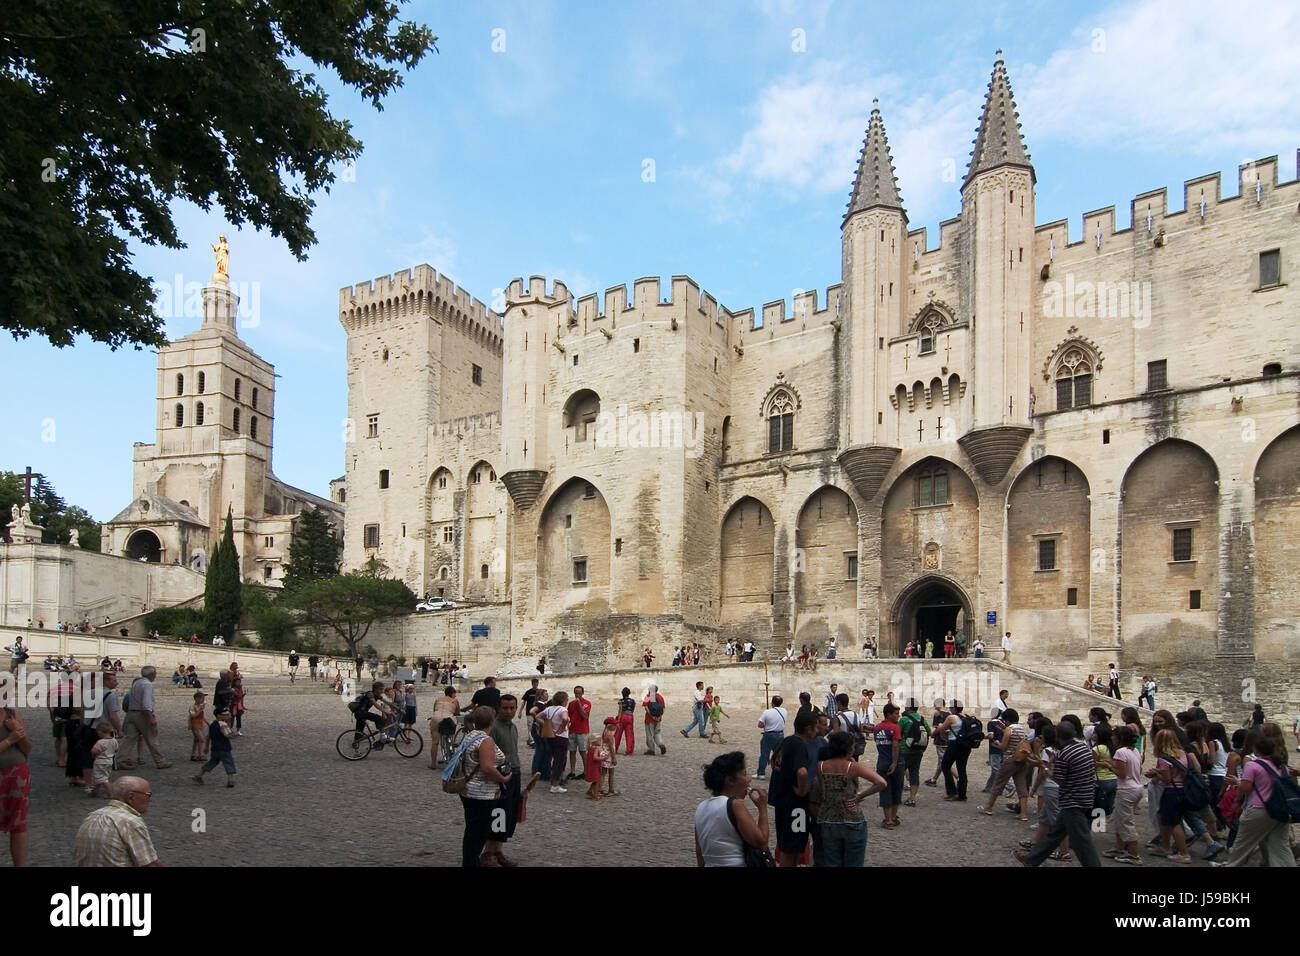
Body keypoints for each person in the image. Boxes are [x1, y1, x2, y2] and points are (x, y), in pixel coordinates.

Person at [1015, 720, 1101, 867]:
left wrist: (1048, 770)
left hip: (1072, 800)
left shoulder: (1064, 753)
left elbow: (1059, 780)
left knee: (1082, 840)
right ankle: (1032, 860)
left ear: (1058, 736)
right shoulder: (1084, 748)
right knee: (1054, 834)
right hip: (1085, 795)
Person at [458, 706, 513, 868]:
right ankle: (471, 863)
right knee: (478, 834)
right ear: (492, 721)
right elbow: (487, 768)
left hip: (468, 790)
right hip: (482, 794)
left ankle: (469, 861)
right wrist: (503, 777)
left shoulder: (470, 736)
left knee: (471, 831)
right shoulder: (485, 740)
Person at [695, 751, 770, 867]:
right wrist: (762, 808)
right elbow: (761, 841)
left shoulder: (701, 807)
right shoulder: (735, 805)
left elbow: (699, 851)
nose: (749, 779)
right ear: (730, 780)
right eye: (744, 774)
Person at [487, 694, 535, 867]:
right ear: (498, 709)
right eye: (505, 708)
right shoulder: (494, 728)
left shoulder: (513, 727)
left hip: (515, 773)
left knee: (508, 815)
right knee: (498, 815)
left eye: (512, 708)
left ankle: (498, 850)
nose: (509, 711)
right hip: (501, 776)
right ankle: (488, 853)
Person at [74, 776, 162, 867]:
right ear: (131, 797)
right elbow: (149, 864)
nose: (150, 800)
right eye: (148, 795)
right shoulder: (130, 821)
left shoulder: (92, 816)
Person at [768, 710, 819, 866]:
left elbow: (773, 760)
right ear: (808, 728)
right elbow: (802, 771)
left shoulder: (787, 740)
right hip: (796, 805)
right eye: (815, 727)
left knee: (793, 846)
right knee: (791, 847)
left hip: (782, 799)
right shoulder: (799, 745)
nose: (817, 731)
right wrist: (802, 790)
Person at [1144, 729, 1195, 863]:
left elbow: (1166, 779)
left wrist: (1155, 773)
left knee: (1174, 823)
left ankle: (1184, 853)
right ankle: (1164, 845)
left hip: (1171, 791)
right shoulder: (1183, 754)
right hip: (1182, 789)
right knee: (1164, 818)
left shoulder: (1164, 759)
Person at [1102, 725, 1144, 864]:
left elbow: (1122, 774)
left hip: (1126, 790)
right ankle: (1119, 847)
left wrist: (1109, 767)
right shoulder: (1134, 750)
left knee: (1126, 822)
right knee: (1117, 818)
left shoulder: (1120, 752)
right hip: (1136, 788)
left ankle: (1134, 854)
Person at [979, 709, 1031, 819]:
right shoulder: (1022, 729)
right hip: (1021, 760)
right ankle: (1023, 814)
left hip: (1010, 759)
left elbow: (1004, 746)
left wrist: (997, 743)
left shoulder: (1009, 729)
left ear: (1007, 720)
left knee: (999, 782)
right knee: (1021, 786)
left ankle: (988, 807)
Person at [119, 667, 171, 770]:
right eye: (155, 673)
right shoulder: (147, 685)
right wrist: (151, 717)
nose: (156, 675)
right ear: (151, 674)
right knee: (151, 738)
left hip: (131, 713)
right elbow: (146, 703)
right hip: (142, 714)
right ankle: (160, 761)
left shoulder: (136, 683)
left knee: (129, 739)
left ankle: (121, 760)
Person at [0, 707, 31, 865]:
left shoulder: (12, 714)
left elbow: (27, 749)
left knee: (18, 823)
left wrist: (20, 733)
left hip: (17, 773)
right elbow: (11, 741)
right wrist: (10, 739)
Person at [935, 699, 973, 801]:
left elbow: (942, 729)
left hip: (954, 744)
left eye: (951, 707)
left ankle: (951, 792)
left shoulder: (951, 717)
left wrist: (944, 737)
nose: (949, 709)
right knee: (962, 769)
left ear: (954, 708)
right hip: (965, 745)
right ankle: (962, 794)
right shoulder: (966, 716)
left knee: (945, 766)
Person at [873, 703, 903, 828]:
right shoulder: (895, 728)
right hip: (895, 762)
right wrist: (895, 762)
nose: (898, 716)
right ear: (889, 714)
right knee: (896, 789)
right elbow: (895, 745)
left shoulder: (877, 728)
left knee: (885, 790)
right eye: (896, 714)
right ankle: (892, 817)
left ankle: (887, 818)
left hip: (882, 761)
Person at [193, 708, 236, 786]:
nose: (227, 716)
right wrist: (231, 731)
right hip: (224, 748)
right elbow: (228, 735)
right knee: (228, 762)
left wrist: (206, 747)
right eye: (225, 715)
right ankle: (230, 780)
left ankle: (199, 775)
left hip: (215, 748)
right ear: (219, 715)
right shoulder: (223, 724)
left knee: (212, 762)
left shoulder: (212, 724)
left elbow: (208, 736)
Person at [898, 699, 929, 807]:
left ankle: (897, 796)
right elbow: (929, 731)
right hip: (918, 750)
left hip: (904, 750)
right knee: (914, 773)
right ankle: (912, 798)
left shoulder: (904, 720)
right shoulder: (922, 719)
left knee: (899, 772)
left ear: (907, 708)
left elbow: (897, 734)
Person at [539, 691, 571, 792]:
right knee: (560, 761)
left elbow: (537, 716)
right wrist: (561, 727)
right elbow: (565, 719)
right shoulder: (562, 709)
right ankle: (555, 784)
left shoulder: (549, 709)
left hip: (551, 736)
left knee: (555, 759)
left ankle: (554, 781)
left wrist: (546, 726)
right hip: (561, 737)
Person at [755, 695, 787, 779]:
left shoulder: (767, 712)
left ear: (772, 702)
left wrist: (767, 724)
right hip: (780, 735)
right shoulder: (784, 711)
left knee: (764, 754)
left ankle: (761, 773)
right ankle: (779, 771)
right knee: (778, 755)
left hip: (769, 735)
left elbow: (760, 724)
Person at [566, 685, 592, 780]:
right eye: (576, 693)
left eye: (579, 693)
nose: (577, 695)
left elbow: (585, 716)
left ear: (582, 693)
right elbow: (568, 717)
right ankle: (572, 771)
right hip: (572, 730)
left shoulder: (587, 703)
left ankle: (586, 771)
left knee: (583, 752)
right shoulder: (571, 703)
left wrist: (579, 705)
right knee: (572, 751)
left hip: (582, 731)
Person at [643, 684, 666, 756]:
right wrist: (659, 716)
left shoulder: (648, 696)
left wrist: (652, 716)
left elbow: (646, 707)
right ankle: (661, 744)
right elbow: (663, 708)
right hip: (658, 719)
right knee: (657, 733)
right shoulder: (660, 697)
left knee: (649, 734)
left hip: (649, 719)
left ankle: (651, 749)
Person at [599, 717, 620, 795]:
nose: (616, 726)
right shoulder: (610, 735)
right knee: (611, 773)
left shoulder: (605, 732)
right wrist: (614, 757)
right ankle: (611, 789)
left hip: (604, 755)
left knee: (603, 773)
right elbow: (611, 747)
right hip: (609, 756)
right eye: (614, 724)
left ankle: (600, 788)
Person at [614, 687, 637, 755]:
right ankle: (629, 750)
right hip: (630, 716)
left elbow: (620, 710)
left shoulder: (621, 701)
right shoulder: (633, 701)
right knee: (629, 734)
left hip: (623, 716)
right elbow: (633, 710)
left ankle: (615, 748)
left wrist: (618, 720)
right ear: (629, 693)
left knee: (618, 733)